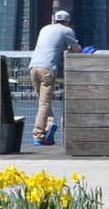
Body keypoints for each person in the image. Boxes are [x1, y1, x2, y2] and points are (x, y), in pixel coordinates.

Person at [29, 10, 82, 146]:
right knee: (44, 104)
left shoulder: (45, 28)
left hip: (33, 67)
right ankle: (38, 135)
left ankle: (49, 127)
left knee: (42, 102)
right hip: (47, 69)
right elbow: (77, 50)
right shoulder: (66, 30)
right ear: (67, 22)